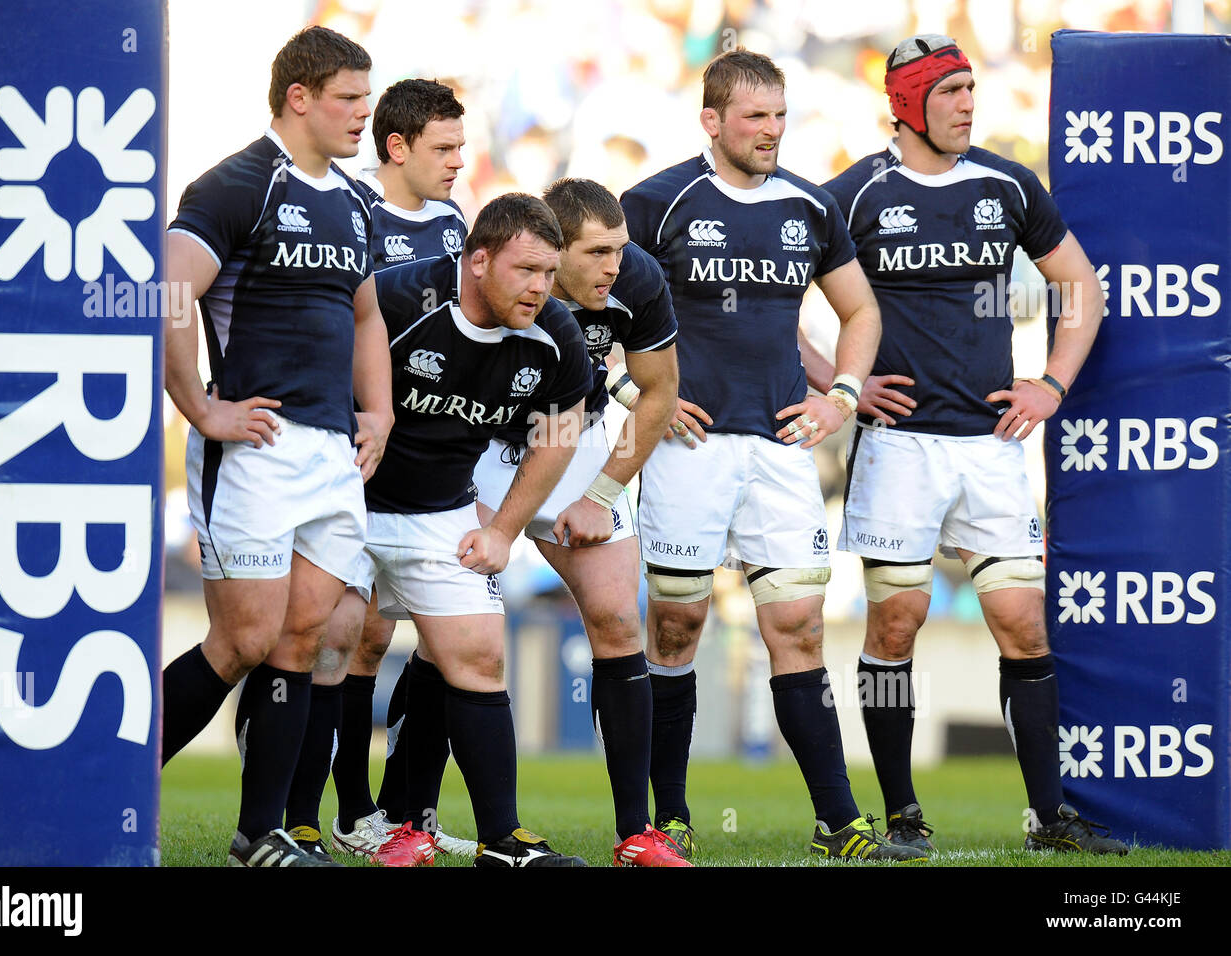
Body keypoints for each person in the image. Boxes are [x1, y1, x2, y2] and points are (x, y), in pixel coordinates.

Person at [810, 34, 1124, 855]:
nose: (966, 104)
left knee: (1024, 627)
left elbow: (1079, 285)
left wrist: (1050, 383)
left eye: (970, 89)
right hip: (898, 448)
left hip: (991, 447)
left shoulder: (1007, 184)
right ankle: (904, 812)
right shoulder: (855, 195)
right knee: (897, 627)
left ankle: (1048, 817)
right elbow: (773, 300)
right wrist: (841, 383)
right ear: (907, 105)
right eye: (948, 91)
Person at [620, 49, 923, 861]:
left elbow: (859, 311)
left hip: (783, 448)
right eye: (755, 117)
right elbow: (588, 303)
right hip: (687, 446)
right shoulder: (655, 203)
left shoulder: (809, 205)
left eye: (780, 116)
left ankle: (838, 821)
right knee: (677, 627)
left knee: (796, 626)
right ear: (712, 121)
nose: (771, 132)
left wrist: (843, 397)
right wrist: (631, 393)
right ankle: (671, 816)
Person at [159, 26, 392, 868]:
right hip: (253, 447)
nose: (362, 116)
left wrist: (383, 411)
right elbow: (170, 294)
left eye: (366, 100)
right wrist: (201, 409)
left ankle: (259, 837)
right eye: (348, 100)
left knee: (308, 639)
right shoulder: (238, 184)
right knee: (243, 642)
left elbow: (365, 315)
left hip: (333, 453)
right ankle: (104, 788)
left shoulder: (357, 200)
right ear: (300, 97)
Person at [352, 193, 593, 867]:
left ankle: (502, 841)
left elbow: (559, 434)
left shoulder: (556, 334)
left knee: (481, 659)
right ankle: (312, 825)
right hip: (352, 505)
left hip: (442, 514)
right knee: (328, 651)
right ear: (478, 259)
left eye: (549, 273)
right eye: (526, 271)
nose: (540, 288)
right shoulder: (399, 298)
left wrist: (505, 530)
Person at [277, 78, 478, 861]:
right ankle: (307, 810)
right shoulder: (355, 213)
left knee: (395, 639)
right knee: (332, 638)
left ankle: (396, 812)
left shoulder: (461, 227)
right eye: (445, 148)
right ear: (397, 149)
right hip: (354, 459)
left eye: (461, 147)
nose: (459, 162)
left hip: (430, 469)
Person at [471, 178, 685, 866]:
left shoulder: (637, 277)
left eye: (620, 250)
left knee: (620, 620)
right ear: (553, 250)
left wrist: (601, 491)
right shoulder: (496, 269)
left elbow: (659, 392)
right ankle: (404, 817)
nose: (614, 267)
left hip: (579, 440)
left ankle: (636, 832)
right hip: (483, 449)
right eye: (596, 253)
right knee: (463, 632)